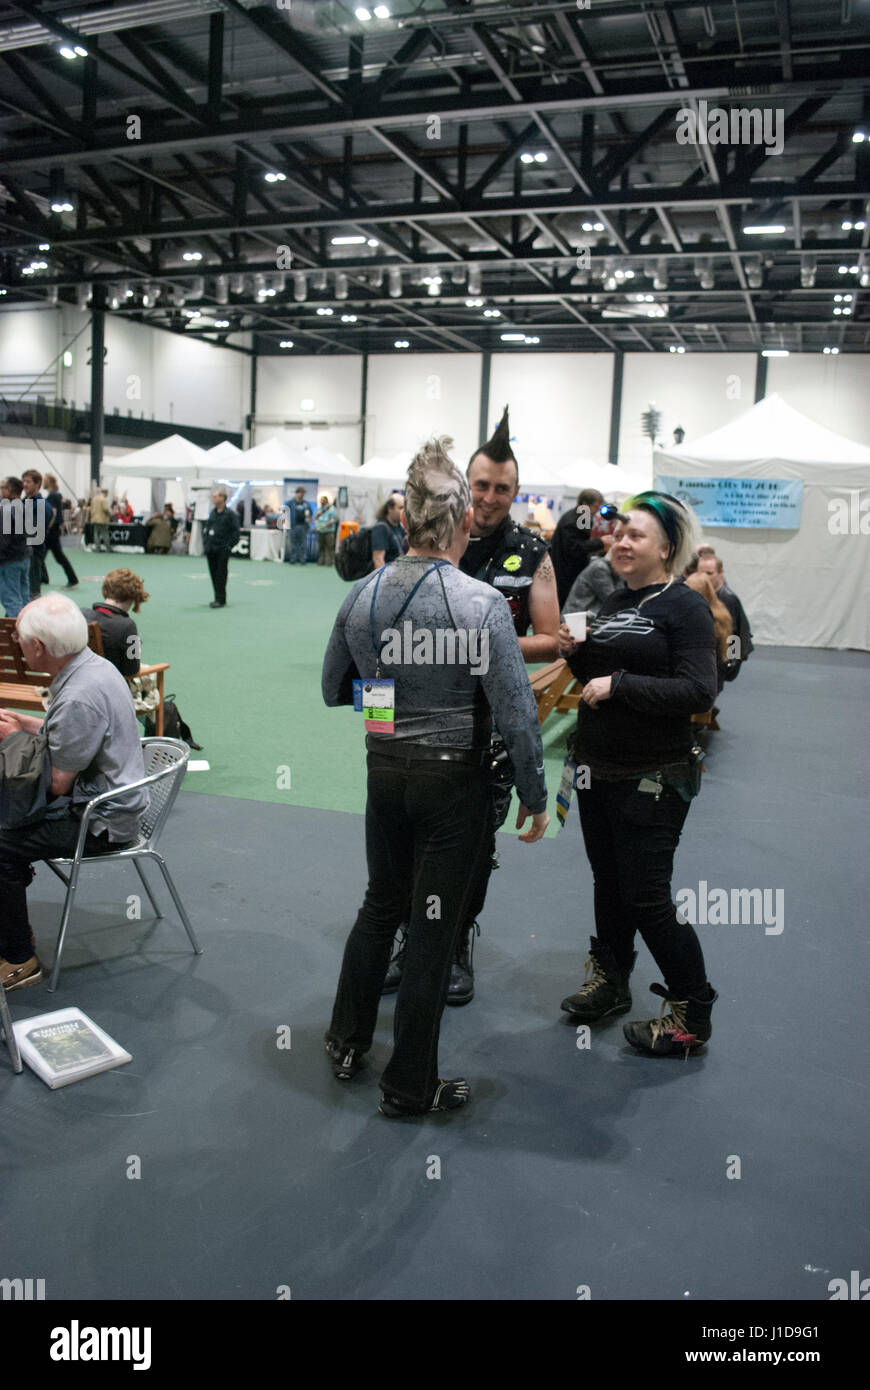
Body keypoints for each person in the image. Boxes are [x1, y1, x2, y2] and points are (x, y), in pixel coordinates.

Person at [321, 437, 548, 1117]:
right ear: (461, 520)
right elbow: (515, 713)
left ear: (406, 516)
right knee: (432, 931)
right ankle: (409, 1086)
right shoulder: (478, 605)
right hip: (455, 786)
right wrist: (536, 796)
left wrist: (393, 704)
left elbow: (338, 690)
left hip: (384, 771)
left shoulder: (362, 597)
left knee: (378, 906)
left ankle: (345, 1042)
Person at [557, 491, 720, 1056]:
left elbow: (700, 690)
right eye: (620, 532)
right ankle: (611, 982)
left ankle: (690, 1014)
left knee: (647, 896)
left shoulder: (685, 606)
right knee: (609, 881)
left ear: (668, 548)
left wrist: (620, 684)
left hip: (656, 775)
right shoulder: (612, 601)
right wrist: (578, 655)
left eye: (637, 535)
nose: (622, 541)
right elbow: (600, 678)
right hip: (597, 769)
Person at [0, 594, 149, 990]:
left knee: (1, 842)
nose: (17, 644)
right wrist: (27, 725)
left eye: (20, 638)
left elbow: (54, 786)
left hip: (100, 821)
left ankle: (19, 958)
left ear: (38, 647)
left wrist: (14, 738)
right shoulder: (93, 668)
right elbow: (64, 737)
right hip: (110, 798)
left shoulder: (79, 696)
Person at [81, 569, 149, 677]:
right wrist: (137, 648)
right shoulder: (128, 626)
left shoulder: (82, 615)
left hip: (81, 678)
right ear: (133, 596)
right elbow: (132, 670)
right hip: (111, 684)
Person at [550, 488, 606, 608]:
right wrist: (600, 542)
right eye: (596, 506)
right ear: (585, 504)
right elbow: (576, 549)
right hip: (565, 573)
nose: (597, 511)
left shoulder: (582, 517)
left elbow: (584, 540)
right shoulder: (571, 521)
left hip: (573, 570)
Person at [698, 554, 754, 675]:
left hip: (719, 661)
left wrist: (730, 663)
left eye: (709, 573)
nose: (704, 578)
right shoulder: (700, 595)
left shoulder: (727, 600)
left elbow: (734, 634)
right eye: (701, 573)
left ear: (720, 573)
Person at [684, 571, 732, 692]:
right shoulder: (722, 612)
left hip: (704, 678)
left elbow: (736, 637)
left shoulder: (702, 617)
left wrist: (732, 665)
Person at [0, 476, 32, 617]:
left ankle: (18, 635)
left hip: (9, 560)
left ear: (10, 490)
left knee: (11, 600)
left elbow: (3, 540)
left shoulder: (6, 509)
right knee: (24, 599)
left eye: (2, 487)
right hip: (24, 557)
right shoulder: (24, 506)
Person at [202, 489, 240, 607]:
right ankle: (217, 597)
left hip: (223, 549)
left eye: (215, 496)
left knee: (221, 574)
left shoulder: (230, 515)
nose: (213, 498)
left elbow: (236, 532)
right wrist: (206, 543)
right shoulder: (212, 513)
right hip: (211, 548)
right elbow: (207, 529)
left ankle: (221, 599)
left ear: (223, 498)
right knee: (213, 573)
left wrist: (229, 546)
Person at [41, 473, 79, 589]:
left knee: (58, 557)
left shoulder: (53, 496)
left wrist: (47, 528)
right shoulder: (56, 495)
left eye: (44, 480)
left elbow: (53, 513)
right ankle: (43, 578)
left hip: (51, 531)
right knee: (41, 556)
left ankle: (73, 579)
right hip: (53, 530)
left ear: (48, 482)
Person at [562, 546, 620, 620]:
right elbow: (612, 599)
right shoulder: (599, 568)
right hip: (576, 619)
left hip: (586, 617)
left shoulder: (611, 569)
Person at [21, 469, 52, 593]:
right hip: (21, 552)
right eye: (23, 481)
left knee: (33, 591)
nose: (25, 484)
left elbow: (34, 531)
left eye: (28, 481)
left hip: (34, 552)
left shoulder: (41, 505)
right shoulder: (23, 502)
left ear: (37, 483)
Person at [371, 493, 405, 568]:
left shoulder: (399, 526)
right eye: (400, 508)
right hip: (389, 576)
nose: (403, 511)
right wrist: (385, 579)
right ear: (390, 508)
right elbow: (378, 559)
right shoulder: (381, 528)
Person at [285, 487, 313, 564]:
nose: (301, 494)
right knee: (293, 544)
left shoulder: (306, 504)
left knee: (303, 544)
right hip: (293, 526)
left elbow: (310, 515)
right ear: (296, 493)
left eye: (303, 493)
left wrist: (309, 524)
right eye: (300, 492)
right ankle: (293, 559)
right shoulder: (290, 503)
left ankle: (302, 559)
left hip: (303, 526)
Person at [315, 494, 338, 566]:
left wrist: (330, 523)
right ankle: (321, 561)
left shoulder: (332, 508)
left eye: (324, 500)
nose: (322, 501)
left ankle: (330, 562)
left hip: (329, 530)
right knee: (321, 547)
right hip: (321, 530)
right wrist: (317, 526)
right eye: (321, 500)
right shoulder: (319, 509)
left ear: (327, 501)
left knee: (330, 547)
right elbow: (316, 519)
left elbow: (335, 518)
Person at [88, 488, 112, 554]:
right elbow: (106, 509)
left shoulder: (94, 499)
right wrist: (110, 513)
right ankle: (108, 548)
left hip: (94, 519)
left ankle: (97, 548)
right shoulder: (103, 499)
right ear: (106, 493)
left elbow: (91, 508)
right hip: (102, 519)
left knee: (96, 534)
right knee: (105, 534)